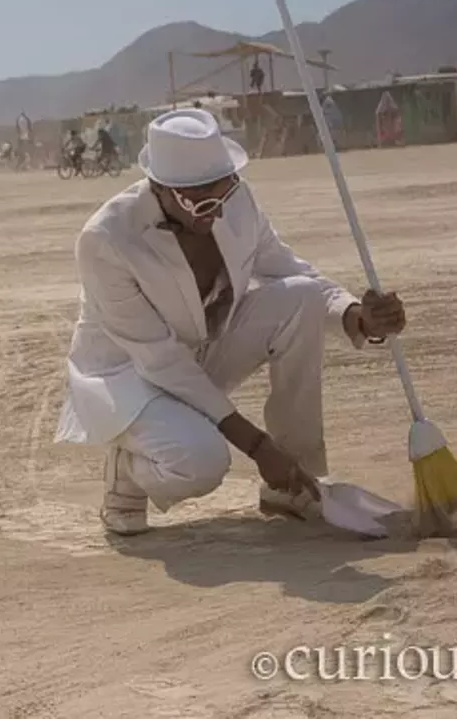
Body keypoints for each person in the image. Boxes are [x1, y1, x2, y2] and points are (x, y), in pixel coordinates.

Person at [55, 109, 407, 535]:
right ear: (161, 189)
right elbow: (160, 360)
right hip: (129, 377)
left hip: (198, 350)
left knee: (302, 298)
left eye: (224, 190)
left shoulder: (235, 203)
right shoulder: (106, 239)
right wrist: (257, 446)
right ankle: (130, 468)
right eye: (201, 200)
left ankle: (294, 481)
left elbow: (288, 268)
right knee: (202, 463)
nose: (217, 212)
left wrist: (358, 316)